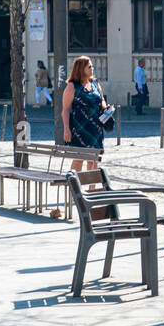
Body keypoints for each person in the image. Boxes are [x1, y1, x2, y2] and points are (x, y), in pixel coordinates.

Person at [61, 56, 108, 213]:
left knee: (94, 161)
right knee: (78, 160)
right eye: (89, 66)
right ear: (81, 68)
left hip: (95, 128)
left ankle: (91, 193)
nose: (92, 69)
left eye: (92, 66)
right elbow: (65, 109)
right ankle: (74, 192)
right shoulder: (72, 86)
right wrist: (66, 129)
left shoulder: (95, 83)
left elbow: (101, 100)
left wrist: (105, 107)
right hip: (79, 129)